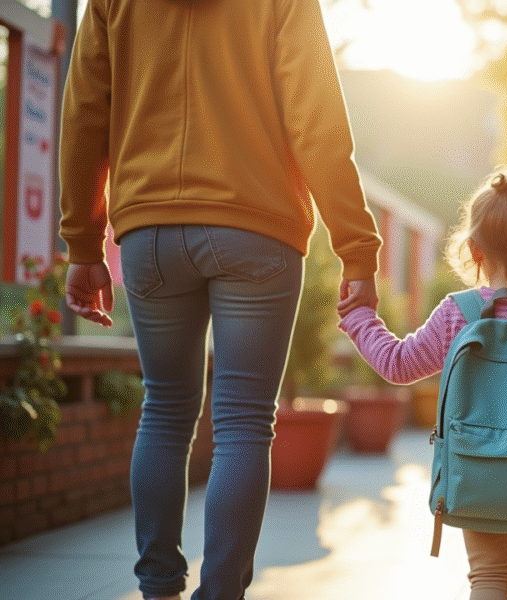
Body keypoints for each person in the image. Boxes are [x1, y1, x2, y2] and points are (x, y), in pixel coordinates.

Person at [57, 1, 381, 599]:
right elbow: (317, 120)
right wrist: (356, 249)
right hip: (258, 227)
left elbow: (84, 114)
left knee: (165, 410)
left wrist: (82, 242)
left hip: (150, 230)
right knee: (244, 422)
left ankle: (158, 587)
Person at [336, 169, 507, 600]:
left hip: (474, 473)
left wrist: (358, 317)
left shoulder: (456, 315)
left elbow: (397, 365)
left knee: (488, 575)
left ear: (473, 249)